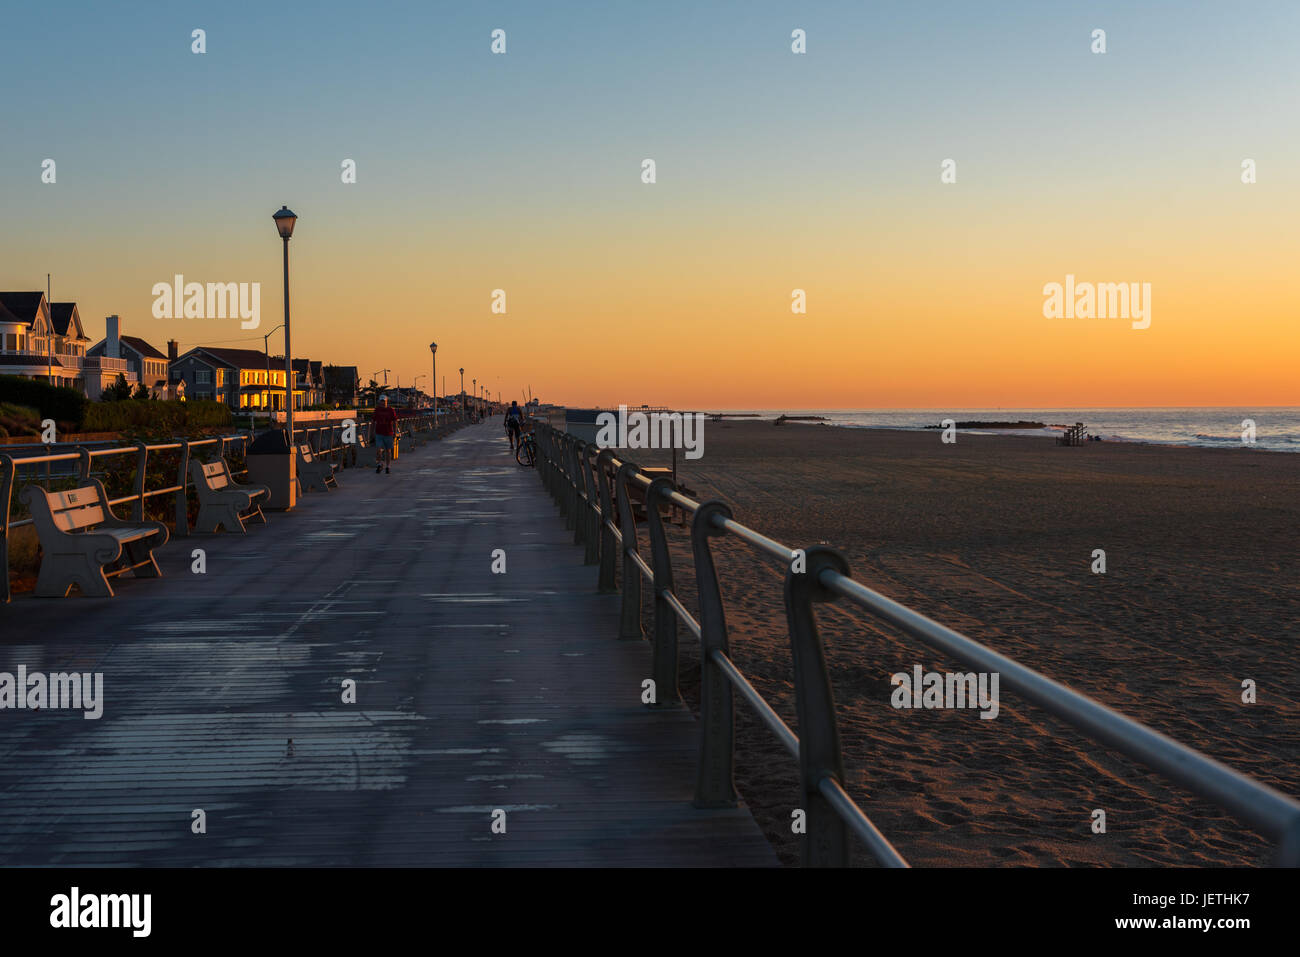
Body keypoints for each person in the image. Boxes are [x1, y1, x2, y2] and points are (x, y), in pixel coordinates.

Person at [373, 396, 398, 473]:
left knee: (388, 450)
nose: (383, 402)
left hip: (388, 433)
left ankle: (388, 466)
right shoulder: (377, 410)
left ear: (387, 401)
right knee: (378, 450)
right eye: (381, 401)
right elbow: (373, 422)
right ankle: (379, 464)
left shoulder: (391, 410)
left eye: (384, 401)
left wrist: (395, 432)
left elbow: (395, 422)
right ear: (379, 402)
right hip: (379, 433)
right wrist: (371, 433)